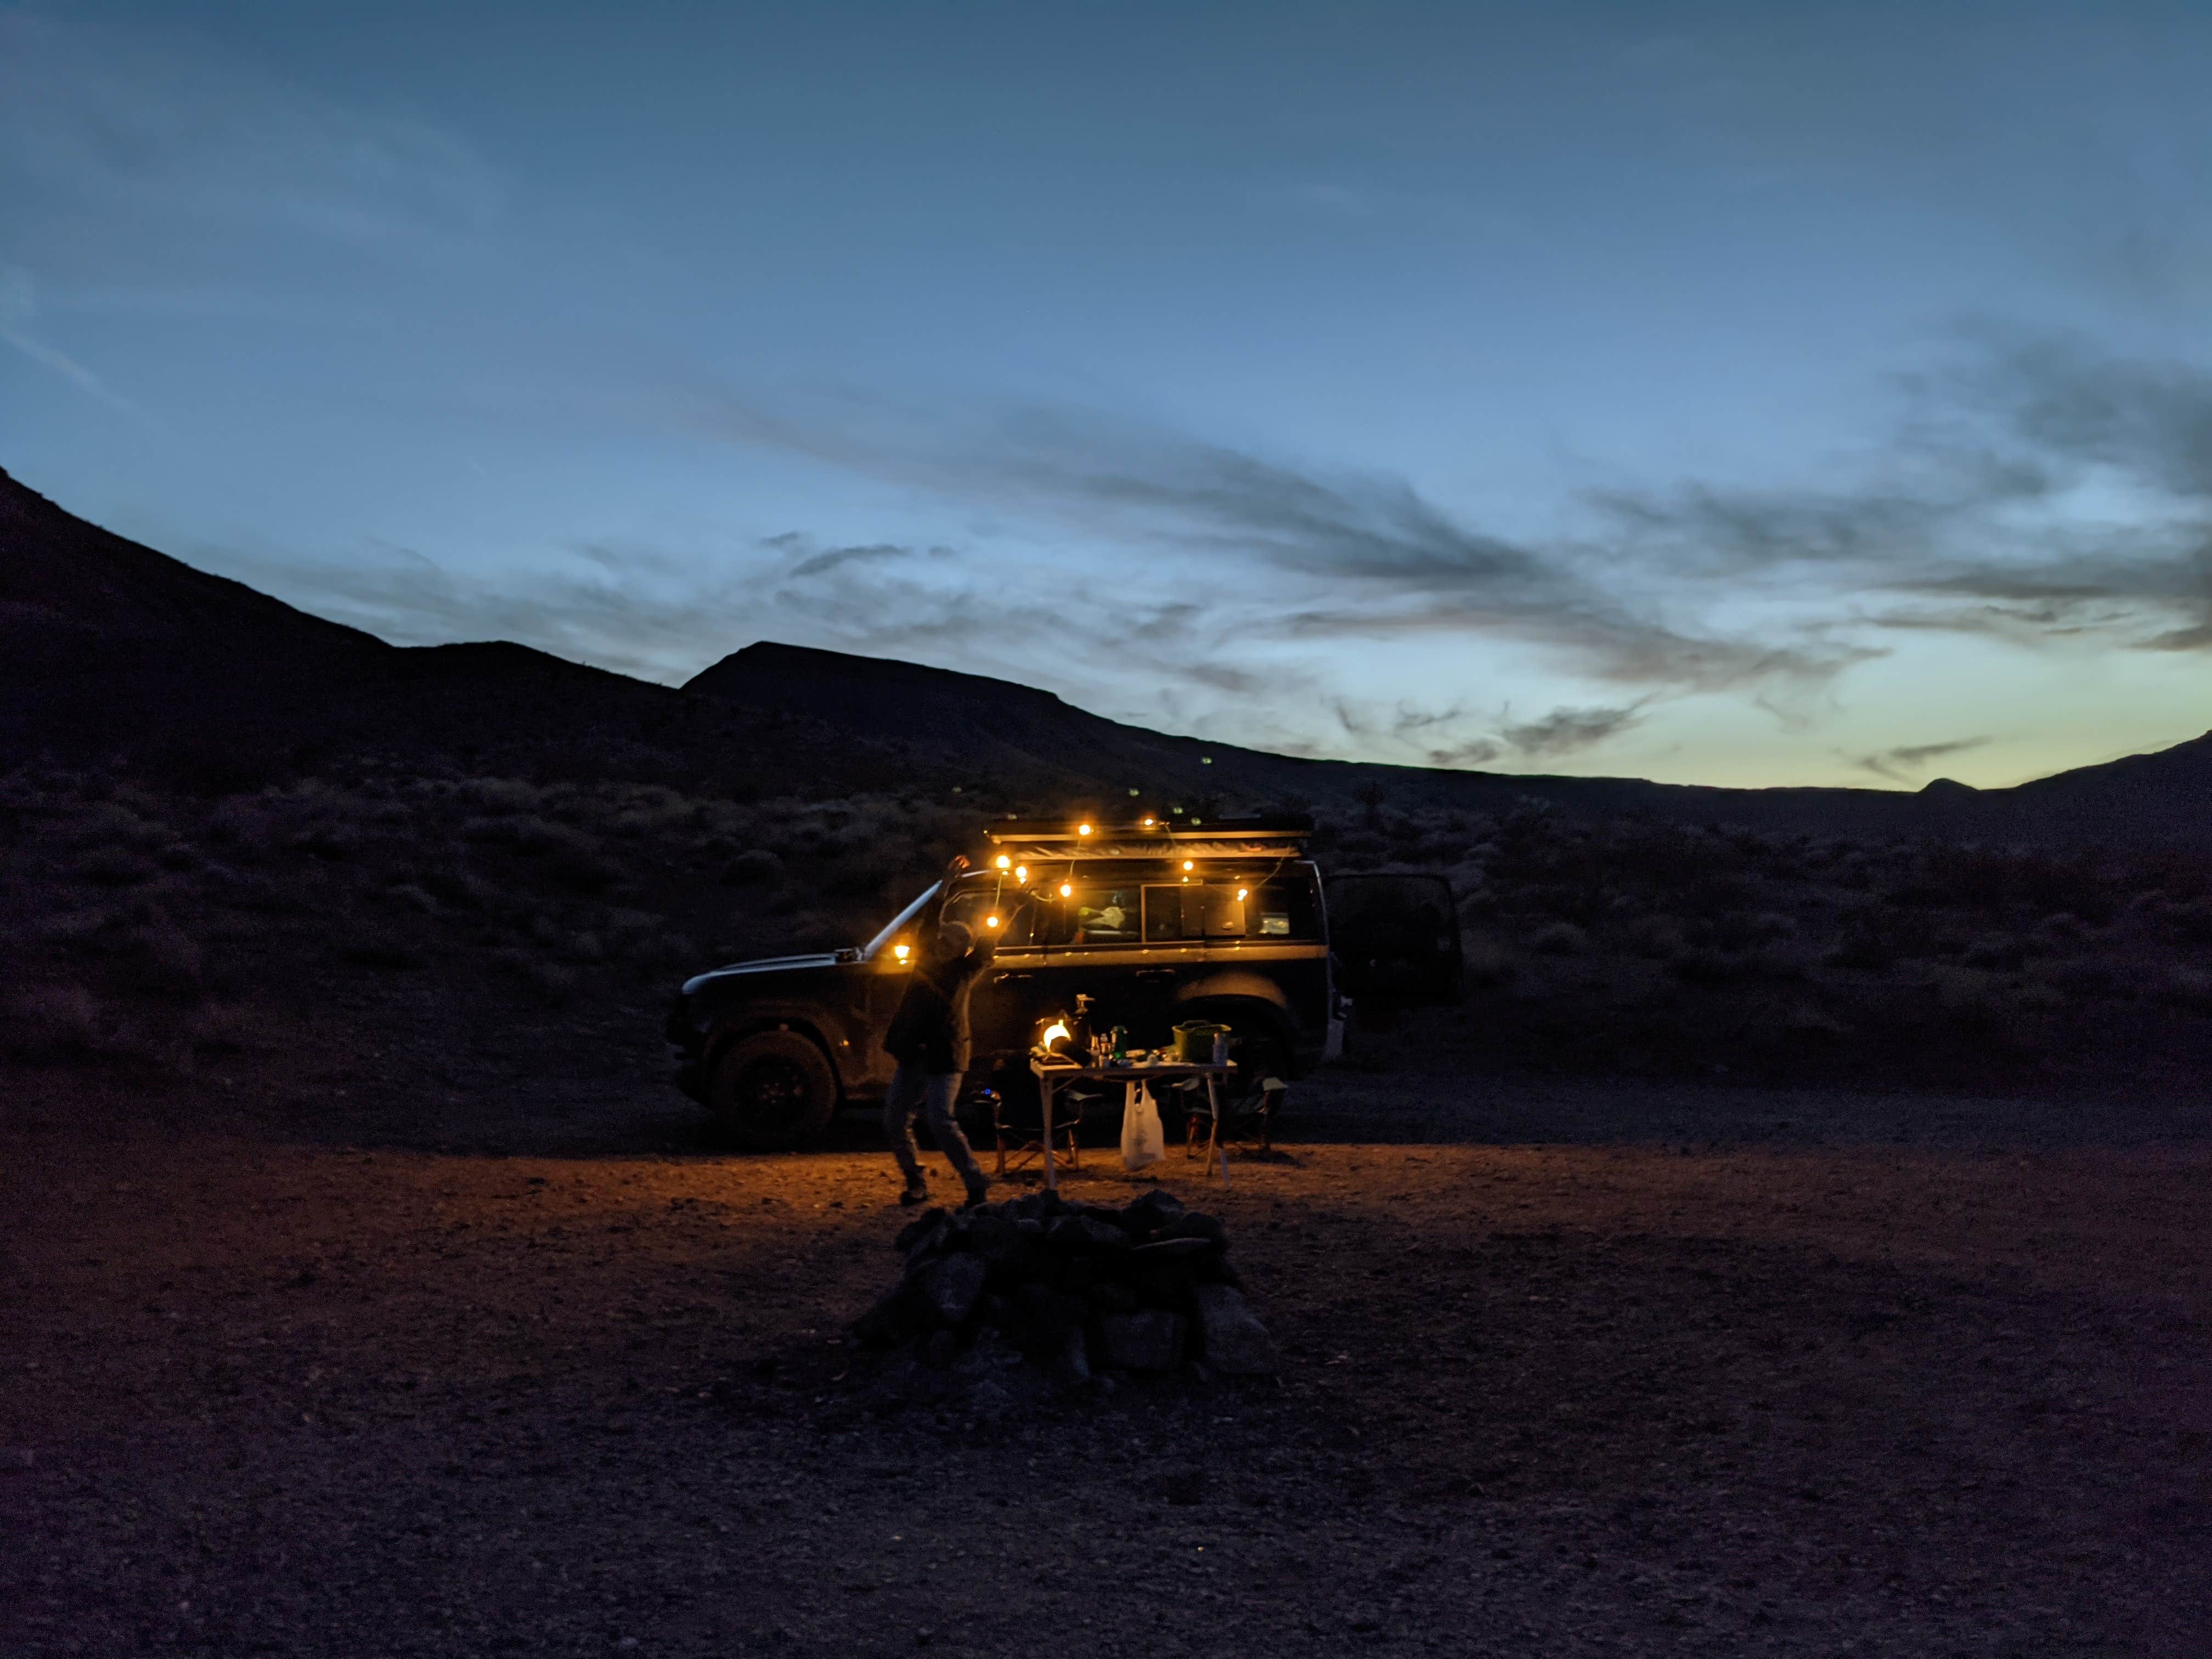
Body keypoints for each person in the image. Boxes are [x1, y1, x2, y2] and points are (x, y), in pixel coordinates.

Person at [882, 856, 996, 1207]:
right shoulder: (925, 961)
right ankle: (916, 1181)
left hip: (945, 1055)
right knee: (894, 1118)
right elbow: (930, 924)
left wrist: (1010, 904)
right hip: (915, 1052)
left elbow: (988, 947)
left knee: (940, 1120)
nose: (938, 944)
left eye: (947, 943)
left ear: (961, 950)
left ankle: (975, 1181)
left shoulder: (964, 972)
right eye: (939, 940)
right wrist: (946, 885)